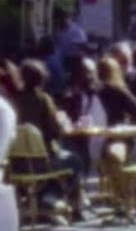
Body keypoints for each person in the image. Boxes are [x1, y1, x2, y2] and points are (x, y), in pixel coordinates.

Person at [13, 60, 86, 219]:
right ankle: (73, 205)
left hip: (18, 163)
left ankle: (46, 198)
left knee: (63, 157)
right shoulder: (43, 99)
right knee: (75, 160)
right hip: (43, 162)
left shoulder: (15, 100)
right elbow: (55, 130)